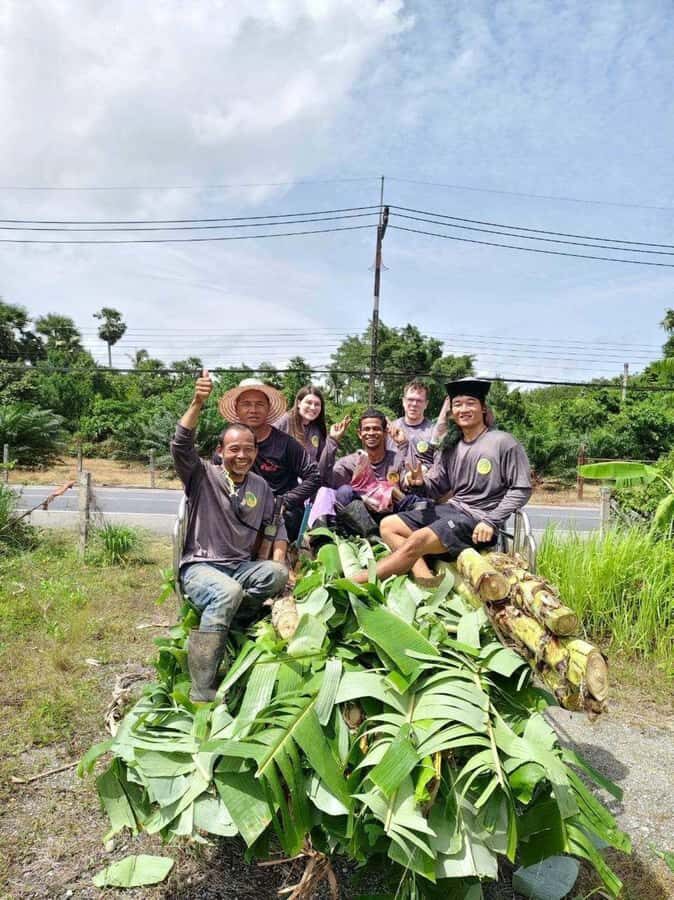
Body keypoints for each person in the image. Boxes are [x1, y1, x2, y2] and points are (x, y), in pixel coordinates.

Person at [172, 370, 288, 701]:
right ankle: (202, 688)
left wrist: (279, 560)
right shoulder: (202, 475)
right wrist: (197, 402)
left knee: (276, 574)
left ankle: (230, 621)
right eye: (234, 449)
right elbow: (180, 444)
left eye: (248, 449)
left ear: (256, 452)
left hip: (239, 567)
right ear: (220, 451)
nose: (242, 455)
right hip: (201, 567)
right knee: (228, 592)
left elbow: (274, 526)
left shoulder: (260, 487)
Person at [352, 378, 532, 585]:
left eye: (470, 403)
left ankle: (363, 579)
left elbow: (521, 489)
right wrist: (420, 483)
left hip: (478, 520)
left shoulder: (503, 442)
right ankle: (427, 579)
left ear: (483, 408)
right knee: (388, 525)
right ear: (452, 411)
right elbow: (437, 487)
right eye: (457, 404)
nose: (463, 409)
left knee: (418, 539)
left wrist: (491, 521)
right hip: (452, 510)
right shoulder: (451, 445)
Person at [218, 378, 321, 561]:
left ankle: (281, 560)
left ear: (268, 408)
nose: (253, 410)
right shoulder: (227, 443)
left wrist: (285, 501)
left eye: (259, 404)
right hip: (239, 510)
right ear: (237, 409)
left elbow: (314, 476)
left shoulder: (286, 444)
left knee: (286, 520)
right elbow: (215, 478)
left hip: (279, 513)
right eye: (246, 404)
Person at [313, 408, 410, 535]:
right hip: (361, 524)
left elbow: (412, 487)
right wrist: (332, 441)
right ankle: (370, 535)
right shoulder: (348, 462)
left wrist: (403, 445)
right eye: (366, 429)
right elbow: (321, 479)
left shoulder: (397, 459)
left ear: (385, 432)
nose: (371, 433)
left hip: (392, 518)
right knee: (343, 492)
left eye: (376, 429)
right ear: (360, 433)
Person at [388, 380, 436, 471]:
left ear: (426, 404)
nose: (414, 404)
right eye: (410, 399)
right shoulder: (391, 429)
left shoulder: (434, 432)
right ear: (403, 401)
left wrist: (425, 470)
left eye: (419, 400)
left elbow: (440, 466)